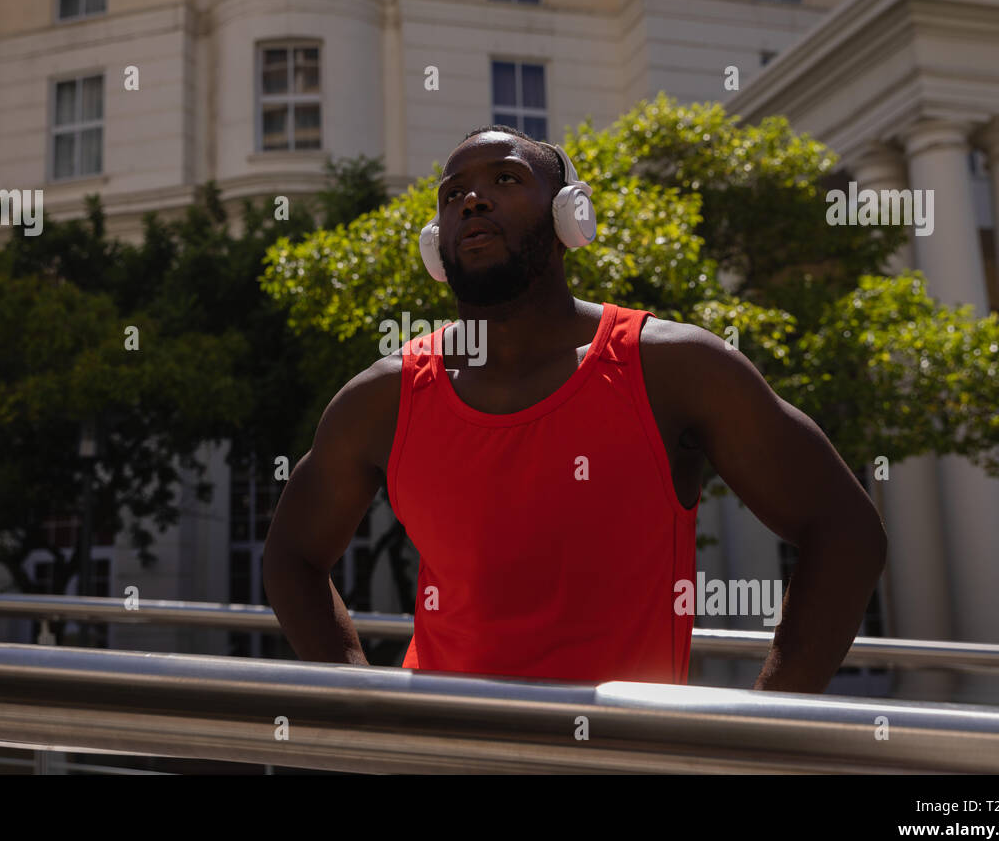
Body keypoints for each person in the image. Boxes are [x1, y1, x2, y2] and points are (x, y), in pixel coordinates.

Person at [263, 125, 887, 692]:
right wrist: (360, 702)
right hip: (439, 757)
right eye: (453, 195)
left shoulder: (677, 368)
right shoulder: (383, 396)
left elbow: (845, 531)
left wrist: (766, 727)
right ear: (437, 245)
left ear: (570, 216)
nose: (472, 201)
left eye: (505, 179)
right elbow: (292, 557)